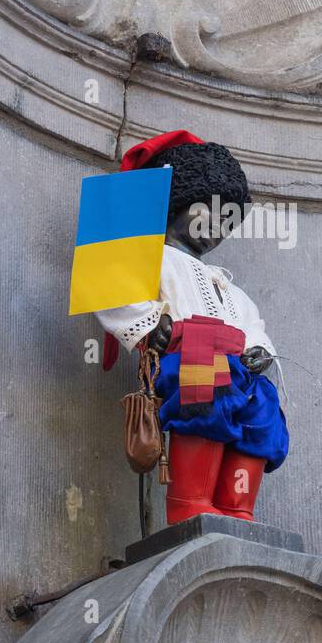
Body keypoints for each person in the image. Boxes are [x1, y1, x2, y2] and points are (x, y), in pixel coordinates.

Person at [98, 130, 289, 523]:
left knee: (263, 411)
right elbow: (114, 293)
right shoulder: (150, 260)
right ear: (178, 205)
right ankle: (192, 502)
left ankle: (237, 506)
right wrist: (152, 326)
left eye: (228, 221)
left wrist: (259, 349)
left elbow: (250, 320)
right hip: (193, 354)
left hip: (237, 361)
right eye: (210, 211)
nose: (219, 226)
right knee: (206, 402)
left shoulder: (224, 281)